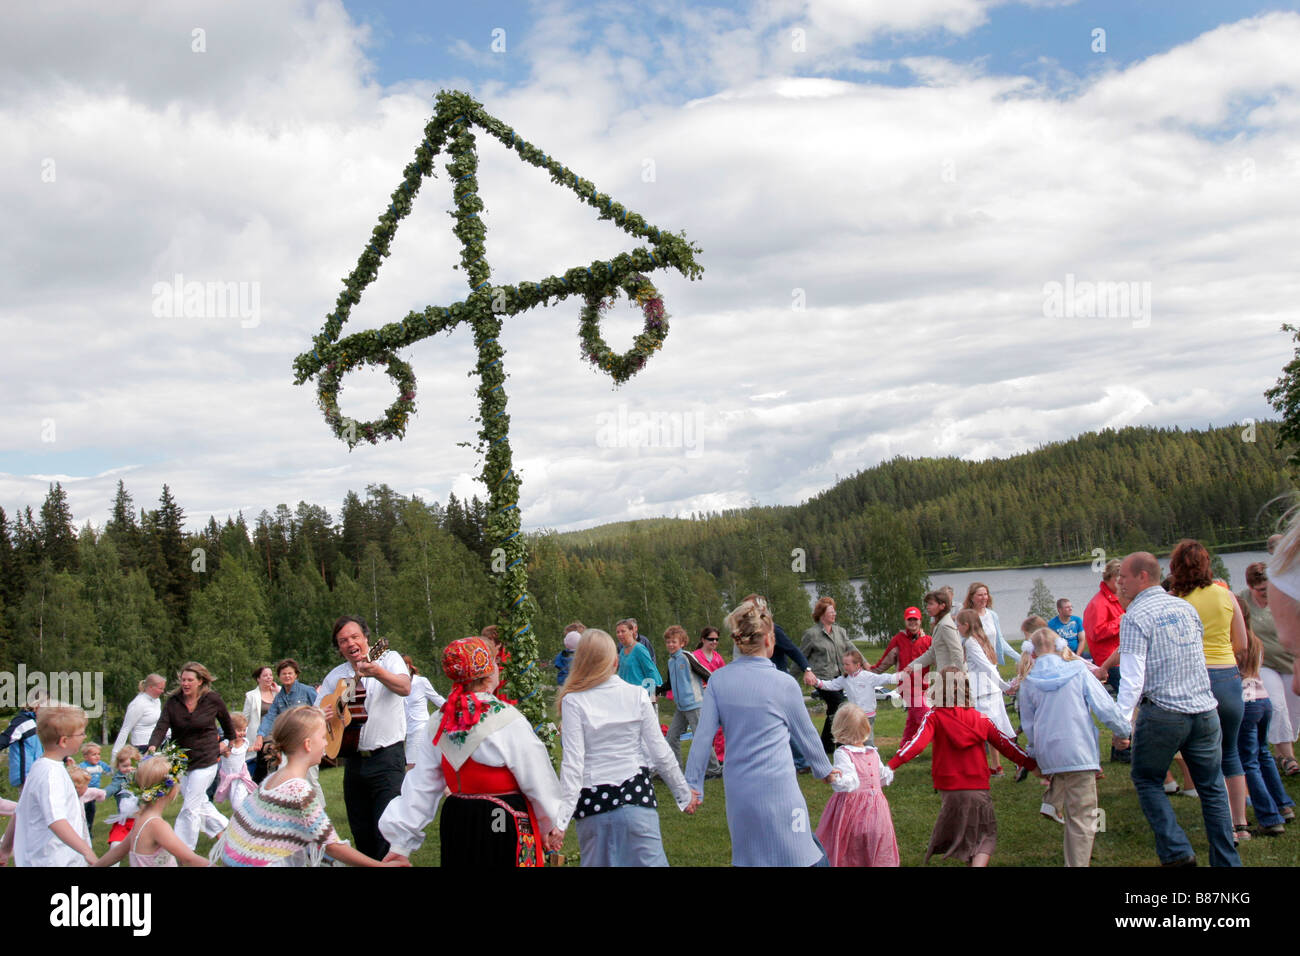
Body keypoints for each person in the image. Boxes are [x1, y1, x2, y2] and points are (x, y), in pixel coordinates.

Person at [379, 637, 562, 867]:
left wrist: (400, 845)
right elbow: (537, 777)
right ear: (488, 673)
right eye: (495, 663)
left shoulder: (439, 720)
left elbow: (421, 785)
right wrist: (551, 823)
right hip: (502, 819)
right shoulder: (505, 717)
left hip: (458, 818)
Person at [685, 598, 839, 866]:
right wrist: (824, 770)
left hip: (740, 796)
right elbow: (807, 736)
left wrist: (693, 784)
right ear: (769, 640)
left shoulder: (718, 681)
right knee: (803, 854)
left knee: (752, 856)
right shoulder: (784, 683)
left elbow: (701, 737)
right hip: (781, 793)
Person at [1114, 552, 1240, 867]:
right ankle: (1227, 860)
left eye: (1124, 578)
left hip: (1164, 712)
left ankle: (1176, 851)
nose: (1120, 584)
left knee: (1146, 778)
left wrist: (1121, 725)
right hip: (1204, 709)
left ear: (1143, 576)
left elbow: (1132, 679)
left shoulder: (1135, 616)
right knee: (1212, 787)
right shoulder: (1186, 608)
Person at [548, 629, 698, 865]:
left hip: (593, 802)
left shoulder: (573, 701)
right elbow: (660, 752)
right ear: (615, 662)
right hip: (636, 797)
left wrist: (561, 821)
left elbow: (573, 765)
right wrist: (683, 793)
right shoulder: (637, 695)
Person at [888, 668, 1037, 866]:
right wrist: (1032, 764)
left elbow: (917, 744)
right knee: (985, 836)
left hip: (949, 790)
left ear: (938, 690)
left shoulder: (933, 718)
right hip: (977, 787)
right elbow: (1006, 745)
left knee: (967, 835)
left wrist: (891, 766)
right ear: (967, 689)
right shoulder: (981, 719)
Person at [216, 706, 399, 867]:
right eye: (323, 737)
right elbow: (331, 845)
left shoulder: (274, 778)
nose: (326, 742)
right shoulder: (298, 790)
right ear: (308, 744)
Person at [1018, 628, 1131, 866]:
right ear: (1060, 646)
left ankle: (1053, 801)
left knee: (1064, 773)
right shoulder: (1078, 670)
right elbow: (1105, 707)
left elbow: (1028, 723)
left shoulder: (1028, 681)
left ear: (1033, 652)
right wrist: (1123, 731)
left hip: (1049, 750)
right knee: (1082, 817)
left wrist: (1034, 753)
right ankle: (1077, 862)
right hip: (1079, 748)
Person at [1167, 540, 1249, 843]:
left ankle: (1222, 825)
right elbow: (1241, 643)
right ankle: (1240, 823)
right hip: (1227, 676)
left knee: (1204, 756)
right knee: (1231, 753)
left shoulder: (1174, 600)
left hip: (1194, 679)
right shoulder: (1226, 594)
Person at [316, 615, 410, 860]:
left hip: (387, 759)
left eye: (355, 637)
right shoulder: (335, 676)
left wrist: (377, 673)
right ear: (339, 648)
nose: (350, 643)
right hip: (353, 763)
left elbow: (404, 687)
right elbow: (315, 712)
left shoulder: (388, 658)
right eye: (343, 640)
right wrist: (321, 714)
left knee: (387, 830)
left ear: (366, 638)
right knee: (362, 831)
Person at [147, 662, 235, 850]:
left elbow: (229, 728)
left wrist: (226, 743)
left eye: (190, 680)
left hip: (207, 759)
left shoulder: (212, 700)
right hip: (182, 761)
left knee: (190, 807)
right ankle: (232, 831)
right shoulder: (173, 702)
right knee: (198, 802)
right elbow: (162, 726)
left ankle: (182, 849)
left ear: (200, 681)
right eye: (183, 680)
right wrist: (153, 746)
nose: (185, 683)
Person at [0, 705, 96, 867]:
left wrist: (4, 847)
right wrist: (87, 851)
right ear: (64, 741)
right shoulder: (51, 774)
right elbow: (56, 821)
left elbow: (20, 811)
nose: (84, 737)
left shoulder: (40, 767)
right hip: (54, 859)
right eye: (81, 733)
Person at [814, 703, 899, 867]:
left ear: (838, 730)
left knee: (851, 843)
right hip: (878, 809)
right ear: (866, 729)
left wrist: (835, 779)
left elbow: (851, 781)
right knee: (876, 839)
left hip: (853, 810)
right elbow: (881, 776)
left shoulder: (843, 753)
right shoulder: (872, 751)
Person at [96, 752, 211, 867]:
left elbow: (118, 852)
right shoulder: (157, 825)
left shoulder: (140, 818)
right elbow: (189, 859)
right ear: (171, 790)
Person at [1239, 563, 1300, 776]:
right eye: (1260, 590)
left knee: (1293, 712)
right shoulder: (1242, 601)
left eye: (1267, 588)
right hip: (1263, 664)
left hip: (1290, 660)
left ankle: (1280, 751)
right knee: (1277, 704)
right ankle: (1289, 757)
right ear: (1250, 586)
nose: (1265, 594)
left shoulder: (1285, 597)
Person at [1235, 614, 1293, 835]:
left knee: (1247, 761)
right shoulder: (1255, 640)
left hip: (1246, 699)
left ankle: (1269, 817)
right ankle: (1282, 804)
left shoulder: (1237, 643)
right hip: (1262, 697)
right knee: (1263, 754)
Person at [953, 609, 1017, 775]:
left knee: (981, 732)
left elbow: (986, 667)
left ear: (966, 626)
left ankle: (1016, 761)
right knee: (994, 732)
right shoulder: (981, 639)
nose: (957, 627)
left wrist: (1005, 687)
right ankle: (997, 766)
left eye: (959, 624)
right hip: (990, 692)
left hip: (982, 695)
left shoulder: (970, 643)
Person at [806, 648, 902, 746]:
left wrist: (904, 675)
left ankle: (872, 758)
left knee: (867, 741)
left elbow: (886, 678)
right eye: (843, 664)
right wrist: (816, 682)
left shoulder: (868, 676)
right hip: (853, 716)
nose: (845, 667)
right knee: (853, 740)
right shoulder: (845, 678)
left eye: (847, 664)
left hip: (868, 716)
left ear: (858, 665)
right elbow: (831, 685)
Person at [662, 625, 722, 776]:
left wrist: (714, 687)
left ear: (682, 643)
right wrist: (656, 690)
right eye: (668, 642)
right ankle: (676, 770)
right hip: (681, 707)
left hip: (694, 704)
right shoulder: (671, 661)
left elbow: (705, 672)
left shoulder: (687, 657)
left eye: (673, 642)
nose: (670, 645)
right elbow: (669, 683)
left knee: (700, 737)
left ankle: (714, 769)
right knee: (671, 737)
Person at [801, 596, 856, 755]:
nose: (834, 614)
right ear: (822, 614)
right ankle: (840, 743)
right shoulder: (811, 634)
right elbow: (801, 656)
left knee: (833, 709)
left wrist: (865, 663)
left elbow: (851, 648)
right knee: (840, 706)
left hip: (838, 678)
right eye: (831, 612)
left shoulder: (840, 632)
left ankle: (825, 745)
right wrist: (794, 676)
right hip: (821, 679)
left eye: (834, 611)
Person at [870, 607, 933, 743]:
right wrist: (867, 672)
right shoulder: (898, 639)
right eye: (909, 620)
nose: (912, 623)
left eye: (915, 619)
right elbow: (885, 662)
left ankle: (905, 746)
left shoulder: (928, 640)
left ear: (920, 621)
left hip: (923, 688)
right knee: (927, 718)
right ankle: (943, 745)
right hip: (907, 687)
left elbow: (939, 658)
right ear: (905, 621)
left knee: (913, 720)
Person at [1084, 558, 1125, 696]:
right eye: (1119, 577)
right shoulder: (1098, 603)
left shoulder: (1118, 598)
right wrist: (1121, 622)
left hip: (1123, 657)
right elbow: (1096, 632)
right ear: (1110, 577)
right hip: (1110, 662)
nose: (1122, 581)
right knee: (1129, 697)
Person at [692, 625, 729, 766]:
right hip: (699, 698)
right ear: (703, 639)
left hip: (716, 696)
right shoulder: (694, 656)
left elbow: (723, 675)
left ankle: (720, 757)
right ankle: (705, 758)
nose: (714, 642)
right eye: (710, 639)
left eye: (716, 639)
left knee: (719, 727)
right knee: (704, 728)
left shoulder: (718, 657)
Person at [907, 590, 964, 680]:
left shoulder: (945, 626)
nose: (927, 607)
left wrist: (961, 677)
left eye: (931, 604)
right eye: (927, 604)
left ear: (942, 606)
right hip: (944, 677)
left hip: (951, 679)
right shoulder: (940, 624)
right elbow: (932, 653)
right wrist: (911, 666)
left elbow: (957, 652)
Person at [402, 654, 446, 770]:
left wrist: (456, 709)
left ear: (408, 666)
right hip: (408, 732)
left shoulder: (421, 682)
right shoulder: (397, 688)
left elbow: (438, 700)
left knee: (412, 767)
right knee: (419, 768)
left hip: (421, 728)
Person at [110, 674, 166, 763]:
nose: (163, 691)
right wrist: (114, 756)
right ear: (151, 687)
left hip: (156, 744)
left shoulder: (157, 701)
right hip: (142, 746)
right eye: (160, 688)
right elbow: (125, 729)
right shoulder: (138, 704)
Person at [963, 582, 1019, 664]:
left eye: (985, 594)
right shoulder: (966, 617)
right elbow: (961, 642)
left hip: (992, 663)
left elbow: (1000, 641)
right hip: (974, 664)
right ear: (971, 598)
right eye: (980, 595)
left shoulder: (993, 615)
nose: (984, 598)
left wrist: (1019, 658)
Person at [243, 665, 279, 784]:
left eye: (270, 675)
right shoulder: (251, 696)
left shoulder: (278, 691)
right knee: (263, 765)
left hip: (278, 733)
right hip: (261, 736)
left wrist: (278, 692)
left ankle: (272, 788)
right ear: (258, 679)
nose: (269, 678)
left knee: (276, 763)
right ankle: (257, 788)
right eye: (265, 676)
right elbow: (245, 718)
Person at [0, 691, 44, 787]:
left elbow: (48, 745)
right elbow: (5, 739)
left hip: (39, 775)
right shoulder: (22, 722)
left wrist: (64, 758)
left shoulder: (39, 722)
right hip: (26, 776)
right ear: (37, 704)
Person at [215, 713, 255, 815]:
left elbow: (245, 750)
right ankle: (242, 816)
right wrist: (225, 752)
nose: (242, 733)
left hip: (241, 776)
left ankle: (243, 816)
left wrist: (254, 748)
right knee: (234, 800)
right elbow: (219, 750)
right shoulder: (228, 742)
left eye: (243, 730)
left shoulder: (245, 742)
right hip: (229, 777)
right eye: (239, 730)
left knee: (237, 803)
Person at [615, 619, 661, 694]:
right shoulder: (622, 651)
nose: (620, 634)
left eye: (623, 631)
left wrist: (653, 695)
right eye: (618, 632)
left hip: (640, 696)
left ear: (631, 631)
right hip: (626, 695)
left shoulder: (639, 649)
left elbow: (651, 671)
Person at [77, 743, 110, 831]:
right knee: (84, 809)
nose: (97, 757)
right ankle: (81, 827)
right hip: (85, 792)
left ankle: (89, 828)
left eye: (98, 754)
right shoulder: (83, 767)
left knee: (91, 810)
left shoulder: (100, 765)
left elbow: (110, 771)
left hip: (94, 793)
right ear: (86, 756)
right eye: (94, 754)